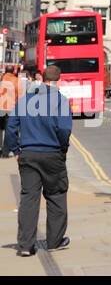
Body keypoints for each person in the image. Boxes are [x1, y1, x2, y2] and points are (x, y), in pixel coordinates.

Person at [7, 64, 72, 257]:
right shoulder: (60, 100)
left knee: (28, 198)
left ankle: (26, 245)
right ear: (58, 79)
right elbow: (64, 130)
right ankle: (54, 241)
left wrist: (16, 149)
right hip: (52, 154)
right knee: (56, 196)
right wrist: (62, 148)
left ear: (42, 78)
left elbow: (11, 127)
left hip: (28, 153)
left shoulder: (25, 99)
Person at [0, 65, 19, 157]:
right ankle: (5, 151)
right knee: (9, 129)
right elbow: (20, 96)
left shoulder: (1, 79)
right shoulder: (16, 80)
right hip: (10, 107)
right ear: (13, 71)